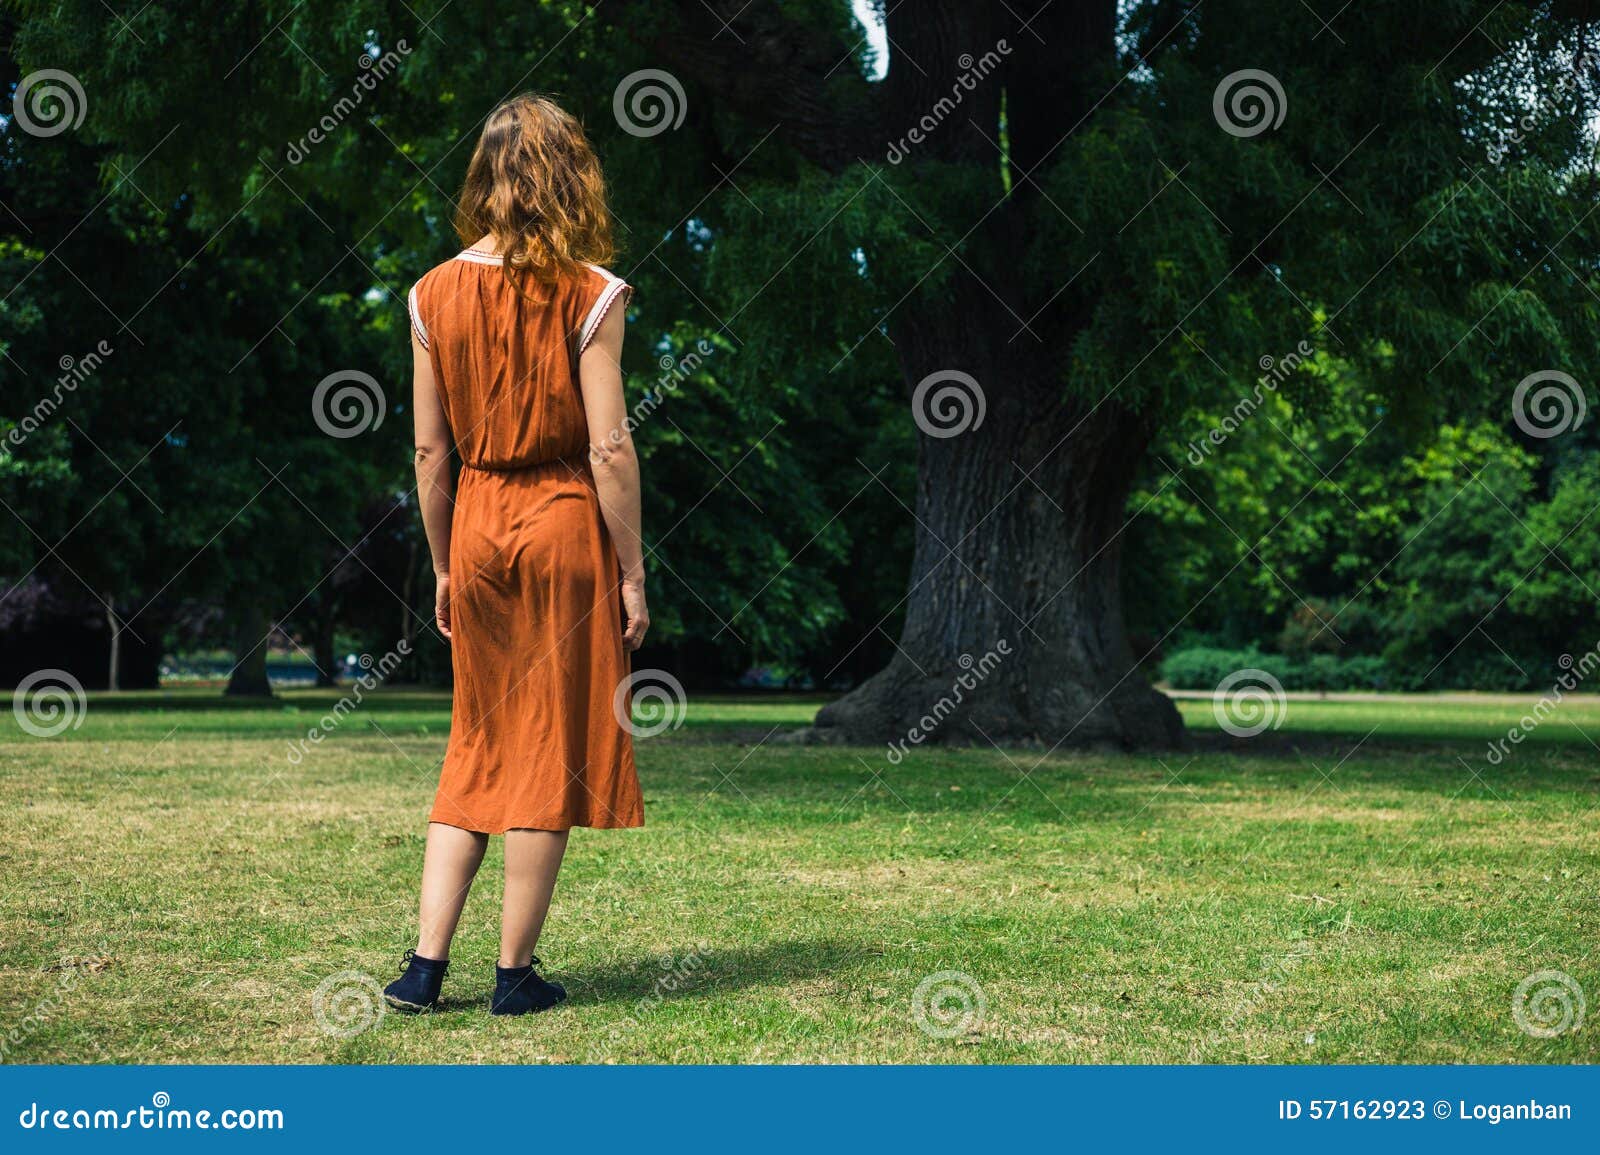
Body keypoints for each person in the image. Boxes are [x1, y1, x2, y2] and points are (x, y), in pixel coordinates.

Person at [383, 93, 649, 1017]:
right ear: (571, 174)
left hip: (479, 521)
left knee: (479, 741)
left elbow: (428, 453)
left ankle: (422, 968)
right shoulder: (593, 291)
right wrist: (634, 572)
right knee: (546, 753)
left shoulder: (427, 293)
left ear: (486, 176)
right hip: (562, 515)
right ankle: (513, 976)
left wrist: (447, 563)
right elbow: (611, 448)